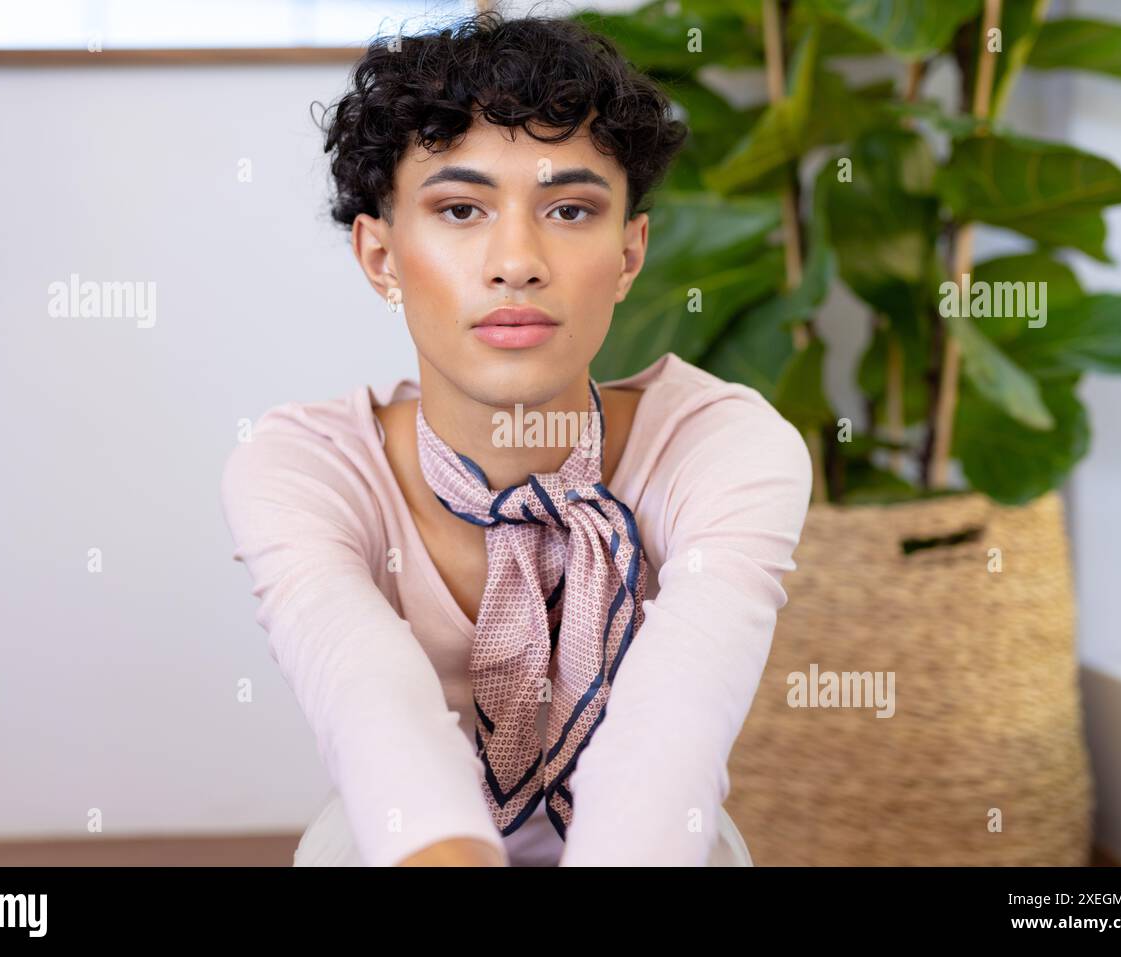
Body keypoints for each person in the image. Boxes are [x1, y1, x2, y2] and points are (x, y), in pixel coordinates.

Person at [220, 10, 812, 867]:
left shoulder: (724, 447)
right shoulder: (303, 466)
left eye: (569, 209)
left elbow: (669, 736)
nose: (516, 261)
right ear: (381, 259)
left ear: (630, 254)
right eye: (461, 209)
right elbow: (376, 714)